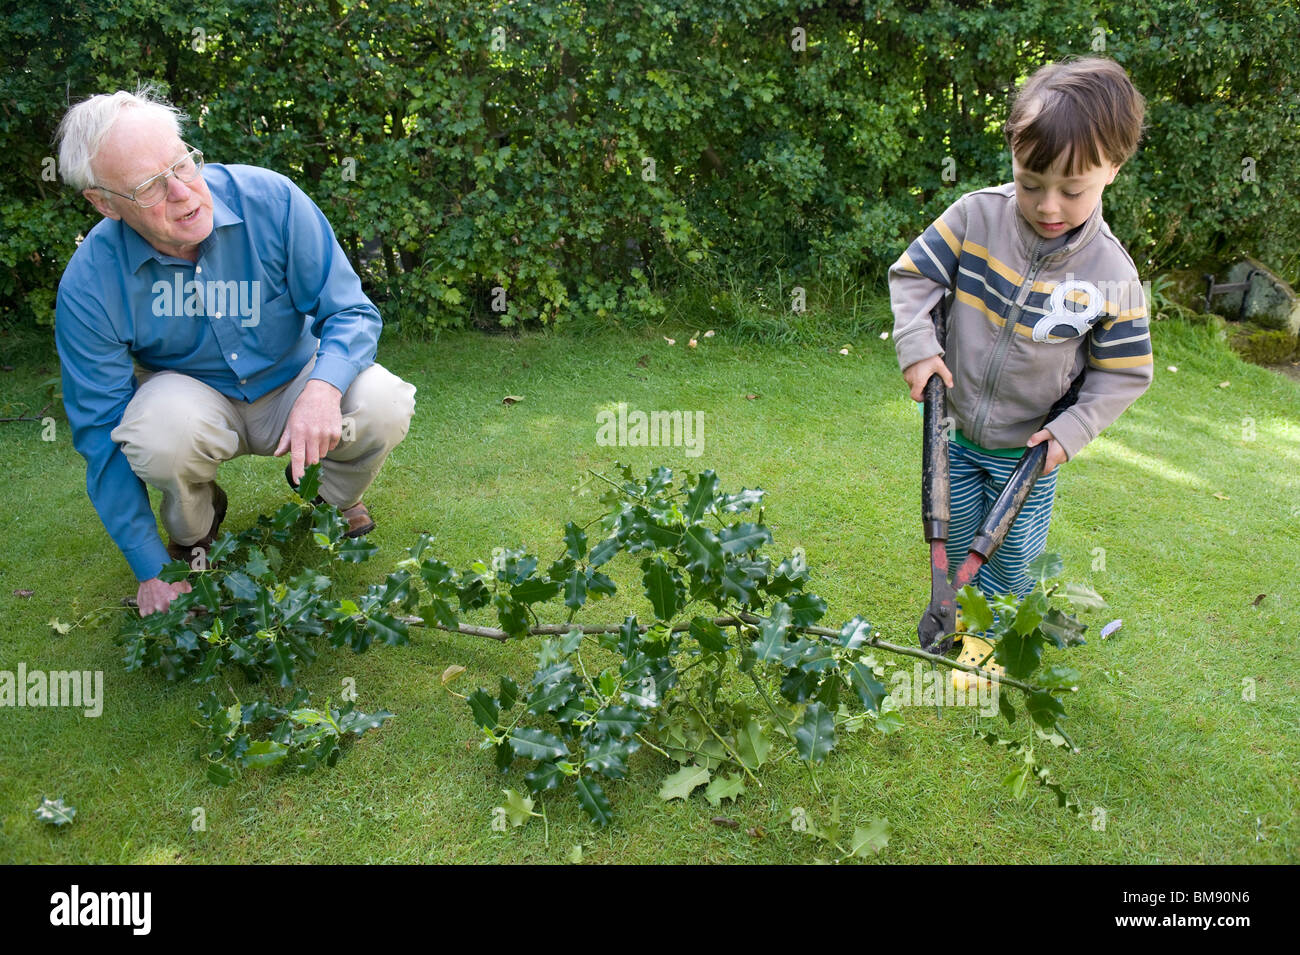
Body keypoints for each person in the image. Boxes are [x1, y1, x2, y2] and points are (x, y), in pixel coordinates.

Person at [54, 88, 416, 616]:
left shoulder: (272, 199)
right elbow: (99, 433)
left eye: (182, 163)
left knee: (383, 401)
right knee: (156, 436)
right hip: (192, 402)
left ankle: (325, 495)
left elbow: (351, 312)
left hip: (296, 380)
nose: (182, 192)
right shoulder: (89, 284)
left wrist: (323, 388)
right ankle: (195, 527)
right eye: (151, 186)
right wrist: (151, 570)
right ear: (105, 203)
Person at [888, 57, 1153, 683]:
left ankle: (986, 648)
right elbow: (914, 276)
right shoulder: (974, 218)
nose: (1048, 205)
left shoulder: (1112, 276)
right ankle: (949, 616)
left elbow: (1124, 374)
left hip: (1026, 451)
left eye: (1073, 189)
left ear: (1112, 169)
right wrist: (919, 345)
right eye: (1031, 183)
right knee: (952, 539)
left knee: (1006, 558)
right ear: (1013, 153)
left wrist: (1072, 431)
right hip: (952, 432)